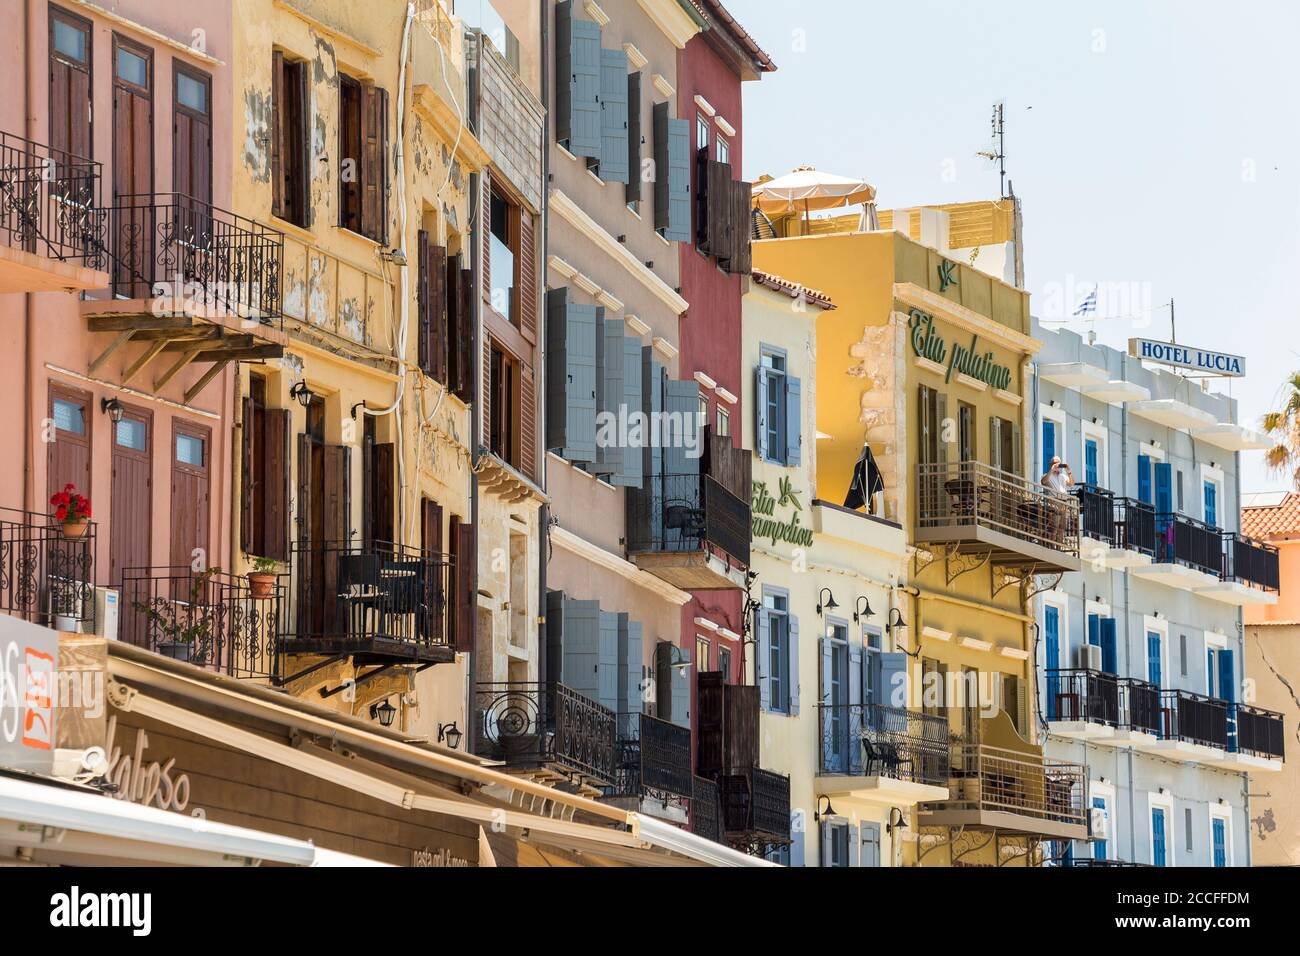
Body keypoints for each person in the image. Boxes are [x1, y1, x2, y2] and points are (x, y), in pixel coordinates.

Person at [1041, 456, 1074, 542]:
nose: (1057, 466)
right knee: (1054, 527)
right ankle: (1052, 546)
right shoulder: (1047, 475)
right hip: (1054, 501)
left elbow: (1071, 483)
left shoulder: (1062, 476)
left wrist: (1068, 471)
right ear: (1051, 464)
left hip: (1064, 502)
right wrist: (1051, 470)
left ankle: (1059, 547)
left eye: (1058, 464)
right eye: (1055, 463)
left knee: (1062, 527)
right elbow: (1043, 481)